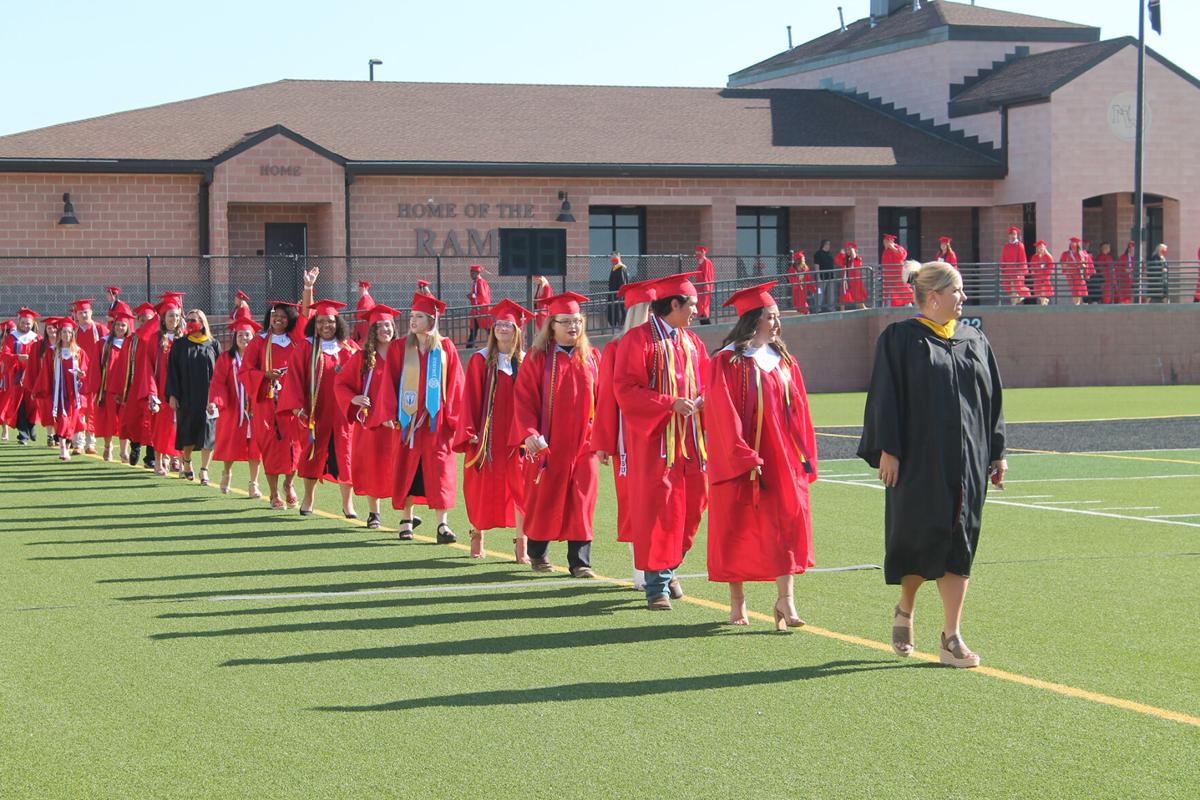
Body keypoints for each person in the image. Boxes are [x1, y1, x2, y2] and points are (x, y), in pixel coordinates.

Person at [857, 260, 1006, 668]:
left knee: (960, 542)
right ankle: (905, 607)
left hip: (968, 461)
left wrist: (996, 451)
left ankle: (951, 637)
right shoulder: (900, 339)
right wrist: (888, 448)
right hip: (919, 460)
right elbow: (884, 395)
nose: (963, 298)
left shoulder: (974, 339)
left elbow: (992, 398)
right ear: (935, 296)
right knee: (918, 539)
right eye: (956, 291)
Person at [706, 282, 818, 628]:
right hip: (744, 457)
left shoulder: (784, 361)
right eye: (771, 316)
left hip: (783, 458)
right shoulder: (727, 362)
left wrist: (805, 456)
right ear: (754, 320)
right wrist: (740, 453)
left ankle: (787, 601)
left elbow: (800, 410)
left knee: (785, 522)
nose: (777, 323)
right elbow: (720, 412)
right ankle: (737, 603)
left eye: (778, 316)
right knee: (736, 527)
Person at [613, 273, 709, 610]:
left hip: (692, 443)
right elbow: (626, 390)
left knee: (694, 507)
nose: (697, 310)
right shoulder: (638, 341)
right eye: (692, 304)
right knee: (659, 511)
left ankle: (668, 569)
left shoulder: (693, 343)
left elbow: (707, 382)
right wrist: (670, 404)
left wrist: (703, 400)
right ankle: (656, 587)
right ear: (674, 304)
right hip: (657, 444)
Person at [512, 291, 601, 576]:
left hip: (584, 444)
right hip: (549, 444)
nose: (573, 326)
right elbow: (523, 400)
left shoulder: (592, 357)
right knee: (545, 498)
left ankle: (580, 562)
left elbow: (603, 400)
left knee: (582, 499)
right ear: (552, 324)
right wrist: (529, 433)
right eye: (566, 321)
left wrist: (605, 439)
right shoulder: (538, 359)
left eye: (577, 321)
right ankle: (538, 553)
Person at [454, 299, 534, 558]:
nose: (501, 328)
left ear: (517, 330)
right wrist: (470, 432)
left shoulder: (527, 360)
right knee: (481, 487)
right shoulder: (480, 360)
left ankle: (521, 542)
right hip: (487, 436)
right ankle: (477, 536)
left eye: (507, 325)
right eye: (498, 324)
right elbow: (470, 399)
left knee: (521, 486)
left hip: (517, 436)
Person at [592, 279, 657, 589]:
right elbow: (606, 397)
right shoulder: (617, 347)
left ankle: (662, 568)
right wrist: (604, 442)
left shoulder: (667, 344)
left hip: (662, 433)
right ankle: (640, 569)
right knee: (633, 502)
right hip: (627, 436)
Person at [386, 291, 464, 543]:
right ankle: (407, 519)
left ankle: (442, 525)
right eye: (411, 316)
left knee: (440, 471)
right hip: (408, 422)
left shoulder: (445, 349)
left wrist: (454, 419)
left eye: (419, 316)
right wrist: (389, 412)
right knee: (409, 468)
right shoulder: (400, 347)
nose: (413, 320)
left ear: (432, 321)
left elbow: (455, 385)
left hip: (436, 423)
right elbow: (389, 382)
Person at [278, 300, 359, 518]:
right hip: (315, 411)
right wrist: (296, 408)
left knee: (346, 456)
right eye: (321, 321)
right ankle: (308, 499)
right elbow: (293, 378)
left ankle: (347, 504)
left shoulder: (349, 348)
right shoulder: (306, 348)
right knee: (311, 454)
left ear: (338, 323)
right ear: (315, 324)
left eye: (331, 321)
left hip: (344, 414)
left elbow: (363, 377)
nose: (326, 326)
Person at [334, 304, 402, 530]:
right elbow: (341, 383)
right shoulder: (363, 358)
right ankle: (374, 513)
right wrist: (353, 399)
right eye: (379, 326)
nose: (385, 329)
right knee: (373, 466)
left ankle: (407, 515)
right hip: (371, 422)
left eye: (388, 325)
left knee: (400, 466)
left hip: (397, 422)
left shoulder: (403, 355)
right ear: (372, 330)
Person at [241, 300, 305, 508]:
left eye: (284, 316)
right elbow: (245, 371)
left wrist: (308, 289)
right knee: (269, 446)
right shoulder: (259, 341)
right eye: (275, 315)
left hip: (292, 401)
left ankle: (289, 484)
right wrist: (265, 375)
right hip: (267, 401)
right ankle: (274, 493)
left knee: (294, 445)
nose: (278, 319)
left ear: (290, 320)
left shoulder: (294, 341)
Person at [207, 313, 261, 495]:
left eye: (247, 335)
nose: (244, 338)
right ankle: (226, 473)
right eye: (240, 335)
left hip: (255, 410)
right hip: (232, 409)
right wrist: (215, 402)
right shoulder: (226, 359)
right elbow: (218, 383)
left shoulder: (259, 359)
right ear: (234, 338)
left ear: (253, 338)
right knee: (231, 444)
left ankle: (254, 483)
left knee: (256, 447)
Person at [166, 309, 219, 483]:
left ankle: (204, 470)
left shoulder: (213, 344)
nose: (190, 323)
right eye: (187, 320)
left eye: (194, 320)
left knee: (208, 433)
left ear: (202, 323)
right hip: (186, 395)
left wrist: (218, 397)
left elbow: (220, 372)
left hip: (208, 397)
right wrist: (172, 394)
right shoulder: (180, 344)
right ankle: (187, 463)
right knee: (187, 432)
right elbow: (172, 372)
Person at [87, 302, 136, 462]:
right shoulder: (103, 343)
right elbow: (95, 366)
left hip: (125, 390)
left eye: (123, 325)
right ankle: (108, 448)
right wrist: (95, 387)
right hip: (107, 389)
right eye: (118, 325)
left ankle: (124, 451)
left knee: (124, 421)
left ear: (128, 326)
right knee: (108, 421)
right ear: (113, 325)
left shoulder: (132, 344)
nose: (120, 328)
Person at [35, 317, 89, 461]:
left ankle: (73, 444)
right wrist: (42, 389)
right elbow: (45, 371)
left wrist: (82, 374)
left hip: (73, 392)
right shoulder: (52, 351)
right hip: (58, 392)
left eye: (69, 332)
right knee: (63, 418)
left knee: (73, 419)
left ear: (73, 335)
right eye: (64, 332)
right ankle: (63, 448)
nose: (67, 335)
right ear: (60, 334)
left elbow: (85, 369)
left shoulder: (79, 352)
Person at [71, 298, 108, 455]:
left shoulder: (100, 329)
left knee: (91, 409)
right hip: (77, 375)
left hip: (95, 374)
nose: (84, 315)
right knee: (77, 408)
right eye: (80, 313)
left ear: (91, 312)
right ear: (76, 315)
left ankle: (90, 443)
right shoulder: (73, 332)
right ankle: (77, 442)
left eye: (86, 312)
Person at [2, 309, 41, 445]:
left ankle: (31, 426)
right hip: (17, 376)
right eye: (23, 323)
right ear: (19, 322)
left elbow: (44, 355)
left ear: (33, 323)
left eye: (28, 323)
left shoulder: (37, 338)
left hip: (33, 376)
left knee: (33, 403)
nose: (25, 326)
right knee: (19, 405)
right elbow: (5, 355)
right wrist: (18, 357)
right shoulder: (11, 338)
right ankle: (23, 434)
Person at [24, 316, 60, 447]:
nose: (52, 331)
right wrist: (33, 386)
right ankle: (50, 435)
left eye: (55, 328)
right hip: (44, 383)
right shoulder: (38, 346)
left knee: (60, 411)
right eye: (49, 328)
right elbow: (32, 366)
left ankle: (58, 435)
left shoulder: (63, 345)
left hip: (60, 384)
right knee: (47, 410)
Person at [999, 226, 1031, 305]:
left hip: (1017, 272)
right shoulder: (1006, 246)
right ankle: (1015, 303)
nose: (1013, 236)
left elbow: (1023, 259)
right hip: (1008, 272)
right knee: (1010, 290)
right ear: (1008, 236)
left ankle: (1015, 304)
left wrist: (1021, 271)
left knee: (1017, 289)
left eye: (1014, 234)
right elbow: (1003, 258)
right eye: (1011, 234)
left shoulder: (1019, 245)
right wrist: (1002, 268)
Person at [880, 234, 914, 307]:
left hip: (898, 274)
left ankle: (908, 305)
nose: (884, 244)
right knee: (891, 294)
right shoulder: (886, 251)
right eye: (884, 242)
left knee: (903, 290)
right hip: (888, 276)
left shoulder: (898, 248)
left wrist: (893, 248)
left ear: (890, 242)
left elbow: (902, 256)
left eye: (886, 242)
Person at [1060, 237, 1093, 306]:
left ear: (1077, 245)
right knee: (1074, 291)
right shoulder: (1066, 254)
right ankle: (1076, 304)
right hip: (1071, 275)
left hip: (1079, 275)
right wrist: (1066, 267)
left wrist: (1085, 268)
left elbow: (1088, 263)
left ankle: (1077, 304)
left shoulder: (1082, 254)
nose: (1073, 245)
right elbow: (1063, 263)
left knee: (1079, 291)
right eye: (1072, 243)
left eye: (1075, 243)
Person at [466, 264, 492, 347]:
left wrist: (472, 296)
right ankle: (470, 347)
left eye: (473, 273)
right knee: (473, 330)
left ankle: (496, 345)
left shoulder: (480, 282)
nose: (471, 275)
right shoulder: (476, 282)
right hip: (476, 311)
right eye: (470, 273)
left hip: (482, 310)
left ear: (477, 273)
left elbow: (483, 296)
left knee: (489, 330)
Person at [837, 242, 867, 310]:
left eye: (849, 249)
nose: (848, 251)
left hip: (855, 280)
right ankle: (842, 310)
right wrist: (841, 254)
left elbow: (856, 262)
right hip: (846, 279)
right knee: (843, 295)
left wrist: (852, 250)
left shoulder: (857, 258)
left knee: (858, 294)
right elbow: (838, 261)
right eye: (847, 249)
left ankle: (862, 308)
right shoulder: (845, 259)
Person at [1027, 240, 1055, 305]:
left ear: (1044, 248)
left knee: (1043, 293)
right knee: (1040, 294)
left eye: (1041, 247)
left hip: (1045, 278)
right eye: (1038, 247)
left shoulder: (1048, 257)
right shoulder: (1034, 257)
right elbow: (1032, 266)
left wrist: (1045, 275)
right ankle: (1045, 302)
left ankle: (1044, 305)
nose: (1040, 249)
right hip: (1037, 279)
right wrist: (1034, 273)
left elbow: (1051, 267)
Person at [813, 239, 837, 313]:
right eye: (827, 244)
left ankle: (831, 308)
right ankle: (818, 308)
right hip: (821, 278)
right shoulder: (818, 254)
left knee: (831, 294)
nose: (829, 246)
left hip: (830, 277)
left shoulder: (830, 254)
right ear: (824, 245)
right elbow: (816, 266)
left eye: (829, 244)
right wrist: (818, 277)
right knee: (819, 293)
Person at [606, 252, 629, 329]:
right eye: (611, 257)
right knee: (613, 311)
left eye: (614, 257)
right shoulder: (614, 268)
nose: (612, 259)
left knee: (619, 310)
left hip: (618, 295)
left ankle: (620, 326)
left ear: (619, 257)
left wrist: (620, 294)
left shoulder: (621, 268)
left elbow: (622, 283)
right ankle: (615, 325)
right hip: (613, 295)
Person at [694, 245, 715, 324]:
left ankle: (706, 323)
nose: (696, 254)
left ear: (703, 253)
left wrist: (706, 287)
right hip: (700, 288)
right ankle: (704, 322)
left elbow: (707, 275)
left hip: (704, 288)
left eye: (698, 252)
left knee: (703, 307)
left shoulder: (706, 262)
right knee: (700, 307)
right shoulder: (701, 262)